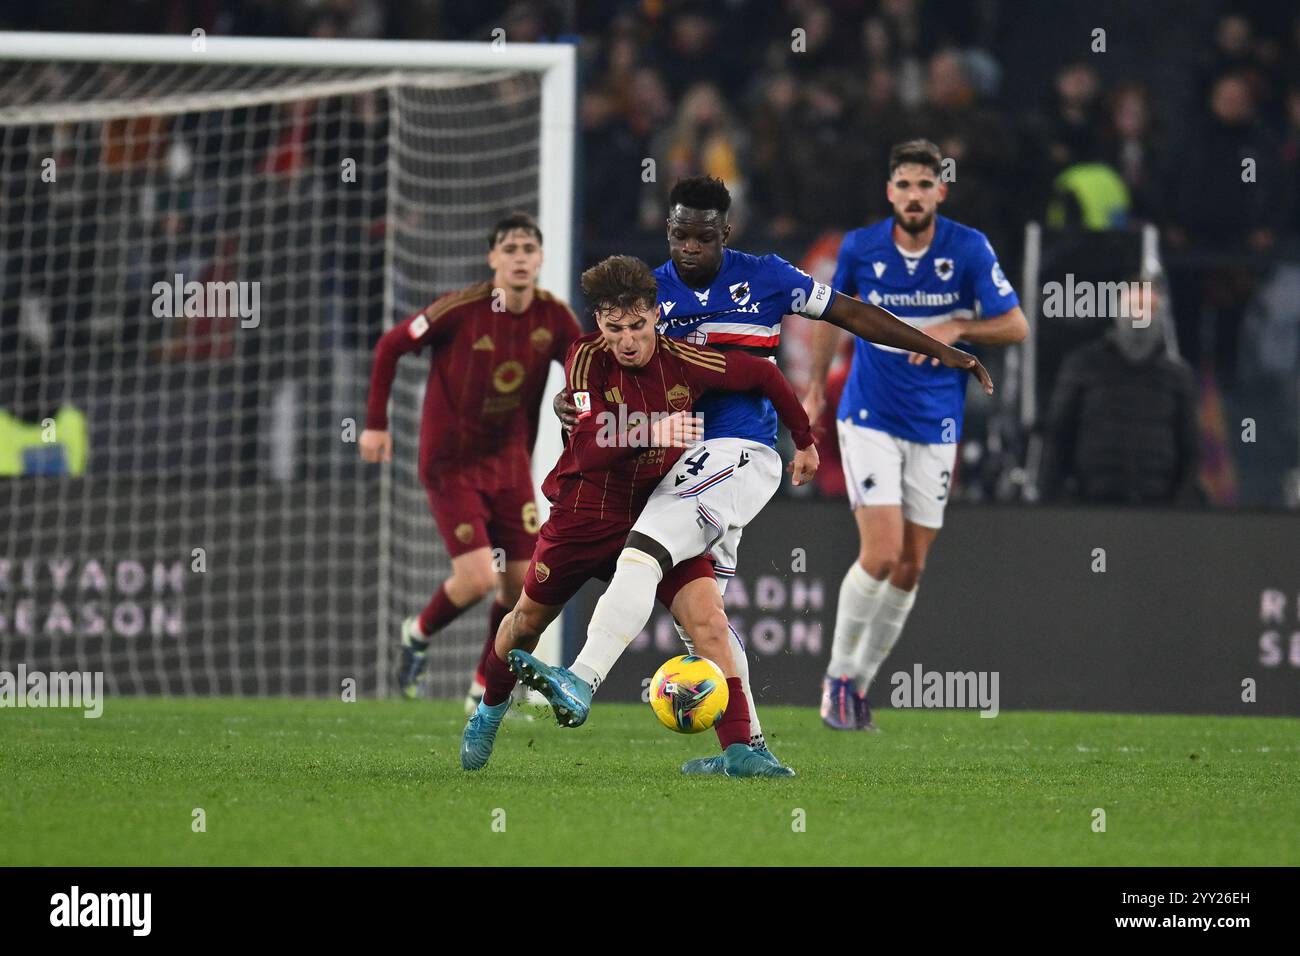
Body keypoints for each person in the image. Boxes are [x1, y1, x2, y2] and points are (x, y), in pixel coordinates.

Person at [549, 175, 992, 774]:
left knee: (641, 553)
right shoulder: (651, 296)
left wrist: (941, 349)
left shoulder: (769, 277)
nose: (690, 248)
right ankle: (747, 750)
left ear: (724, 234)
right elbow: (605, 364)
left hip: (739, 453)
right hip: (681, 463)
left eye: (703, 237)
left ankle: (581, 677)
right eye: (680, 235)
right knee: (703, 622)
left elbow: (852, 313)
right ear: (670, 232)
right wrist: (574, 402)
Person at [461, 254, 818, 778]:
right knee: (525, 624)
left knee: (709, 623)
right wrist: (651, 432)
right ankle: (489, 712)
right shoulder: (585, 357)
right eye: (613, 328)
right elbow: (586, 443)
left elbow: (763, 374)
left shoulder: (686, 360)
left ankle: (741, 750)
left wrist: (804, 440)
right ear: (599, 326)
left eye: (636, 326)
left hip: (654, 511)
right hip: (585, 513)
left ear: (656, 314)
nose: (626, 340)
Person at [804, 139, 1029, 730]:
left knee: (910, 566)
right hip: (869, 415)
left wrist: (962, 323)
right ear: (890, 192)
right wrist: (813, 388)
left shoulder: (968, 248)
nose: (912, 195)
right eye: (903, 184)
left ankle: (858, 686)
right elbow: (828, 312)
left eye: (923, 185)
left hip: (937, 425)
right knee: (879, 554)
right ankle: (834, 679)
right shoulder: (861, 247)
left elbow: (1017, 325)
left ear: (940, 191)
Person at [360, 213, 581, 708]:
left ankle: (484, 687)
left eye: (529, 248)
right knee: (479, 579)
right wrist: (375, 423)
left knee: (523, 586)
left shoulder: (553, 317)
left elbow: (583, 368)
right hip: (451, 465)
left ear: (541, 258)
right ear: (493, 259)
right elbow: (391, 345)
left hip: (508, 467)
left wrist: (580, 409)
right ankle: (417, 632)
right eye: (510, 249)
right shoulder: (462, 309)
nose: (520, 257)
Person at [1040, 282, 1200, 505]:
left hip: (1157, 506)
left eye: (1148, 308)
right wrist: (1053, 501)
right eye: (1132, 307)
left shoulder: (1178, 377)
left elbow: (1191, 451)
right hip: (1091, 502)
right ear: (1117, 313)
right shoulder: (1082, 365)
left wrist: (1179, 508)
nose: (1139, 316)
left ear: (1161, 318)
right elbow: (1057, 437)